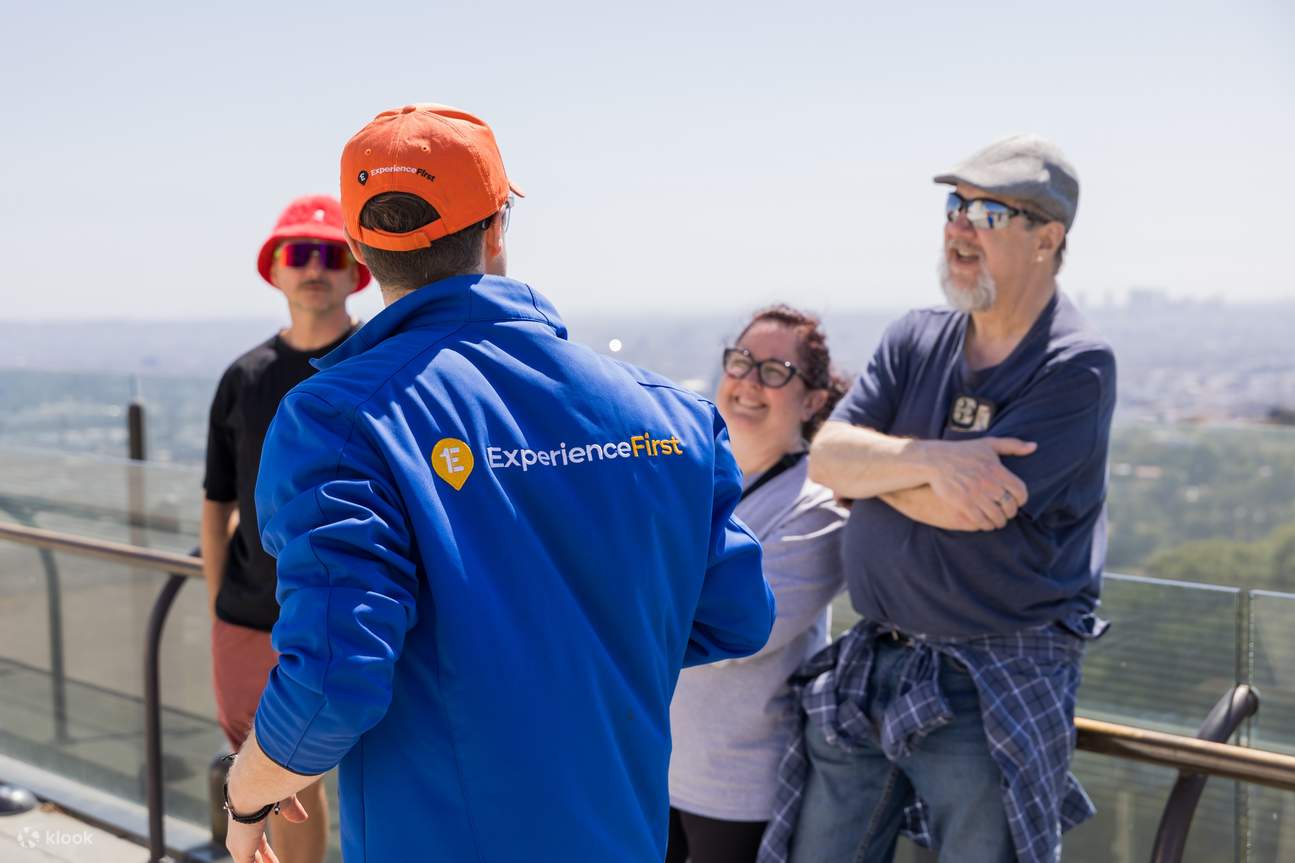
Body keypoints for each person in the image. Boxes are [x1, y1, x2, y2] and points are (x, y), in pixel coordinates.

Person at [219, 103, 776, 863]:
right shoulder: (673, 415)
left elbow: (330, 683)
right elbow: (736, 615)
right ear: (495, 229)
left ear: (359, 248)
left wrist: (245, 791)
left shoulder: (336, 418)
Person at [760, 135, 1117, 863]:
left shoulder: (1074, 363)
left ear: (1046, 238)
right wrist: (933, 460)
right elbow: (827, 457)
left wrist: (880, 475)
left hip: (990, 676)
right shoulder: (916, 336)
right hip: (876, 658)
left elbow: (970, 510)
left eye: (986, 210)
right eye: (954, 205)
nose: (957, 225)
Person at [201, 194, 369, 863]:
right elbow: (216, 502)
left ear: (357, 270)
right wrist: (222, 601)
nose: (314, 268)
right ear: (274, 269)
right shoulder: (243, 377)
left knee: (337, 776)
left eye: (331, 254)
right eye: (298, 253)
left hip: (354, 610)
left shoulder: (374, 362)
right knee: (268, 773)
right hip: (249, 614)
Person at [666, 305, 848, 863]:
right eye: (742, 361)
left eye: (775, 371)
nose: (748, 382)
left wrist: (632, 598)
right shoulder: (692, 476)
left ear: (813, 401)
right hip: (653, 764)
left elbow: (742, 633)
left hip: (738, 791)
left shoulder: (819, 507)